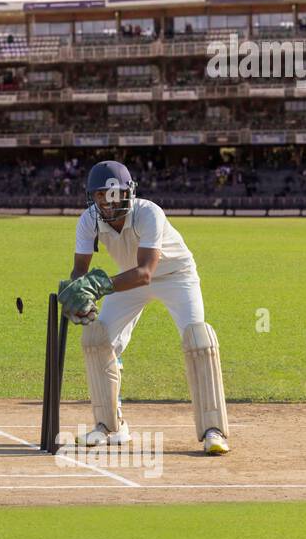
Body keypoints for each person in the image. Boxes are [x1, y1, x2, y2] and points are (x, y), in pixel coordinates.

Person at [57, 160, 230, 455]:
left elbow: (146, 272)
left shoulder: (149, 212)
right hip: (126, 280)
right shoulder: (88, 220)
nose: (109, 202)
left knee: (198, 341)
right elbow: (79, 273)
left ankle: (213, 430)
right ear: (92, 197)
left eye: (115, 194)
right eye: (101, 196)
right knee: (98, 341)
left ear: (128, 193)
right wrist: (78, 295)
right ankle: (109, 425)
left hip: (175, 276)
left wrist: (96, 287)